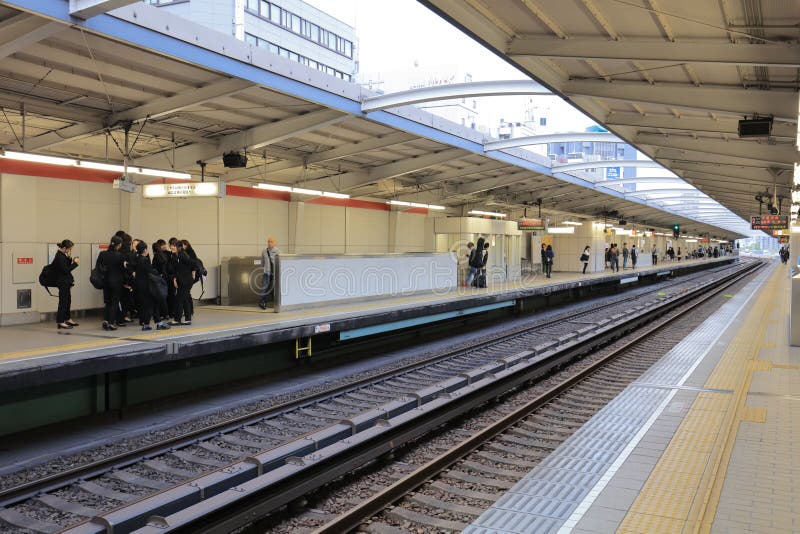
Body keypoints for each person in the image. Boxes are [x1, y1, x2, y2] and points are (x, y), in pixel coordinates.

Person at [133, 242, 170, 331]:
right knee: (151, 305)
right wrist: (159, 274)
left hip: (140, 286)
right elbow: (150, 271)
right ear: (145, 250)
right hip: (147, 286)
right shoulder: (144, 260)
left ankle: (157, 323)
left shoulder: (137, 258)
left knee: (152, 304)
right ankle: (147, 324)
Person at [98, 235, 126, 331]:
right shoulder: (120, 256)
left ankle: (105, 321)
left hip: (105, 282)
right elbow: (123, 270)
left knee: (108, 302)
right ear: (118, 245)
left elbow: (98, 267)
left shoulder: (102, 254)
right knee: (114, 303)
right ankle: (111, 323)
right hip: (116, 282)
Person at [53, 239, 79, 329]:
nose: (70, 251)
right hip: (62, 282)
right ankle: (60, 321)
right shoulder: (59, 257)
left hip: (66, 282)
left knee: (67, 301)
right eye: (69, 249)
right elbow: (66, 270)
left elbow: (66, 267)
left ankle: (67, 318)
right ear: (64, 248)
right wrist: (75, 263)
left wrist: (69, 258)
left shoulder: (62, 256)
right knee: (63, 302)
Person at [170, 240, 196, 325]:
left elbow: (193, 263)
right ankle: (188, 319)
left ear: (179, 247)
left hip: (186, 281)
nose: (172, 247)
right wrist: (174, 279)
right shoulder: (174, 256)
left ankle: (177, 319)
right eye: (171, 245)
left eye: (174, 246)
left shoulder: (183, 255)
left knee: (179, 299)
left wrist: (193, 272)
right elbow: (175, 270)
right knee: (184, 299)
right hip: (180, 280)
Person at [260, 236, 280, 309]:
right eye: (268, 241)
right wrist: (263, 268)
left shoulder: (278, 251)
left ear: (274, 243)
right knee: (264, 288)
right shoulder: (264, 251)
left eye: (271, 241)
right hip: (267, 273)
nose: (269, 243)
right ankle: (263, 302)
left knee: (275, 288)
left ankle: (276, 303)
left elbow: (281, 262)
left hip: (275, 273)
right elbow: (262, 262)